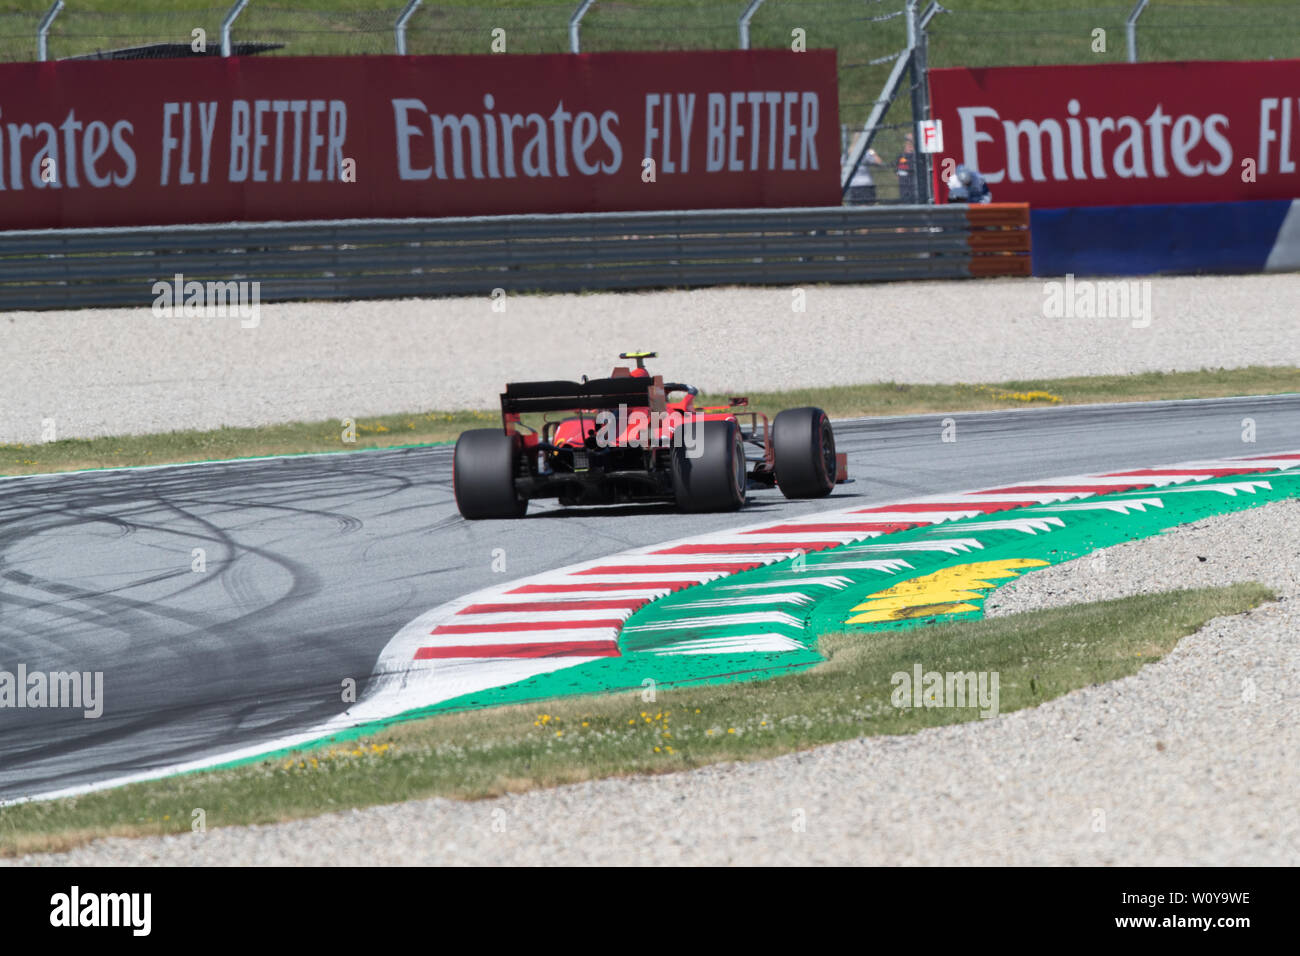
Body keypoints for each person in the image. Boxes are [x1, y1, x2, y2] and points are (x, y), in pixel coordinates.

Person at [896, 132, 917, 203]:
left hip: (913, 188)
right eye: (907, 141)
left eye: (910, 141)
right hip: (903, 188)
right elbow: (897, 171)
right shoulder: (901, 156)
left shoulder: (916, 156)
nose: (908, 143)